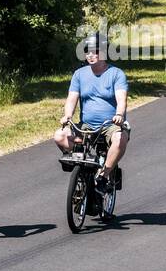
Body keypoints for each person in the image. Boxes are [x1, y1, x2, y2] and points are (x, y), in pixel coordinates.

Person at [54, 33, 129, 193]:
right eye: (87, 51)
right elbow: (72, 99)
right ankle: (80, 169)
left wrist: (119, 115)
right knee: (59, 135)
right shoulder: (79, 74)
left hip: (110, 125)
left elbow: (121, 99)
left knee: (120, 138)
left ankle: (103, 175)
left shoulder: (116, 74)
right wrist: (67, 116)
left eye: (95, 51)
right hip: (86, 126)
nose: (91, 55)